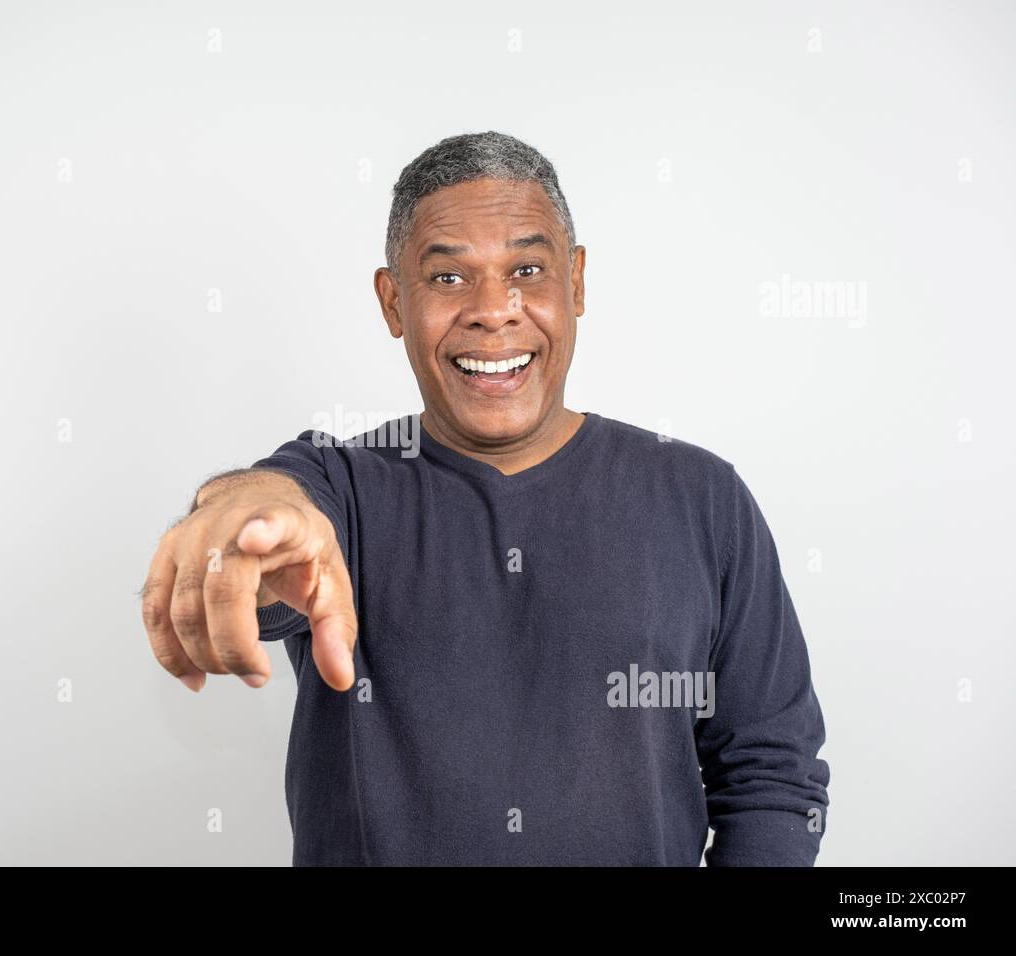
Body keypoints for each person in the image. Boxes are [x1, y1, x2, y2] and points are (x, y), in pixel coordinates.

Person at [141, 130, 831, 866]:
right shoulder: (340, 489)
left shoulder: (703, 499)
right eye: (447, 279)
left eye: (528, 269)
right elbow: (268, 514)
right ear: (392, 301)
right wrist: (231, 518)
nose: (493, 310)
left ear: (577, 283)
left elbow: (771, 776)